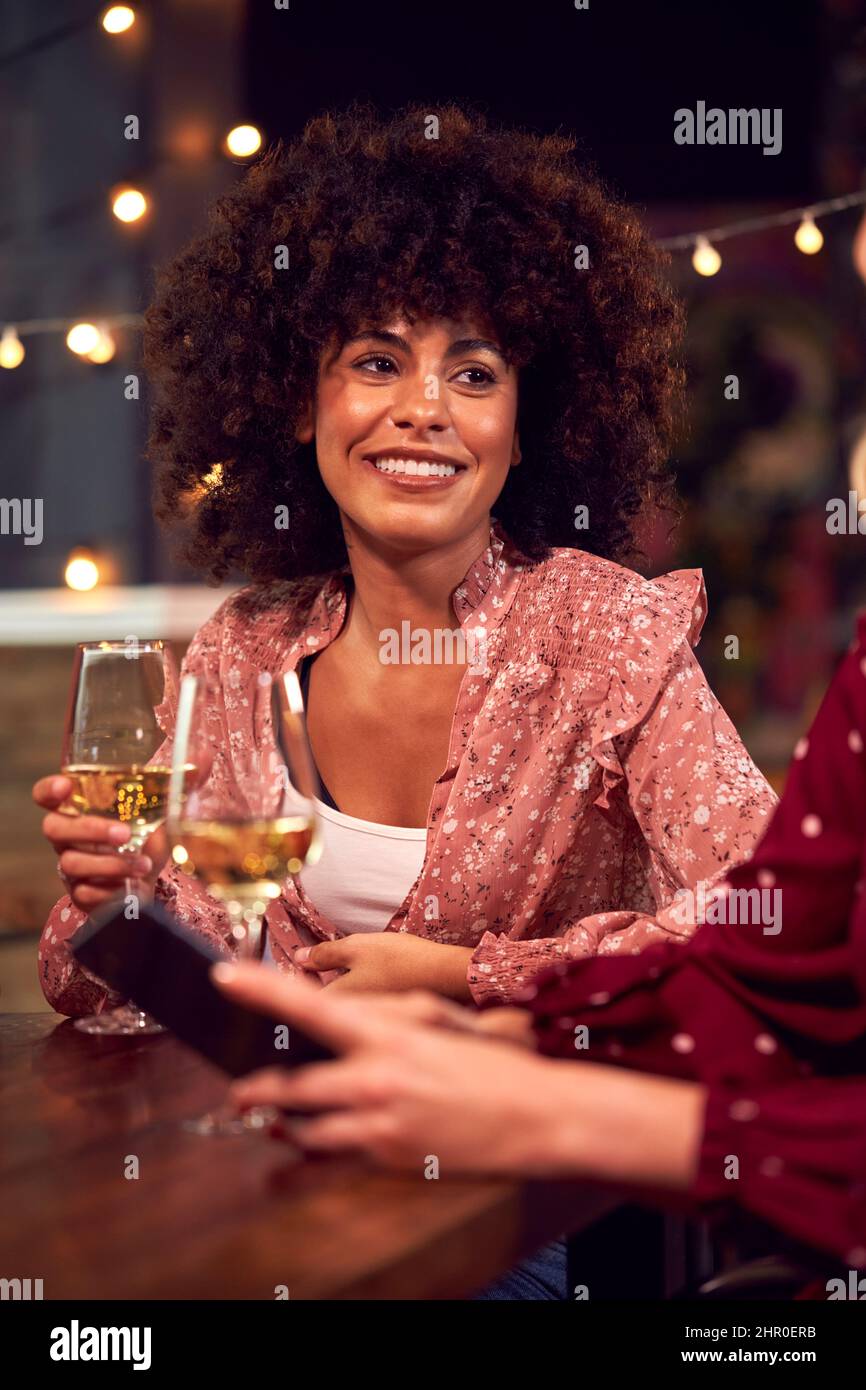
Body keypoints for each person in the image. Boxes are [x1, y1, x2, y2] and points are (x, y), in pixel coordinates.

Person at [34, 103, 774, 1023]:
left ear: (521, 429)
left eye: (473, 375)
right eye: (378, 362)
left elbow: (769, 922)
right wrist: (119, 900)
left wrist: (467, 976)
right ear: (300, 405)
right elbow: (112, 985)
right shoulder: (245, 653)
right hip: (294, 1147)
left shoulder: (608, 636)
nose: (425, 409)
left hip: (534, 1145)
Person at [210, 613, 866, 1278]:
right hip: (356, 1144)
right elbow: (769, 960)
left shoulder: (609, 625)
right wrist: (522, 1035)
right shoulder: (244, 642)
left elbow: (745, 910)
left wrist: (535, 1089)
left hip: (546, 1218)